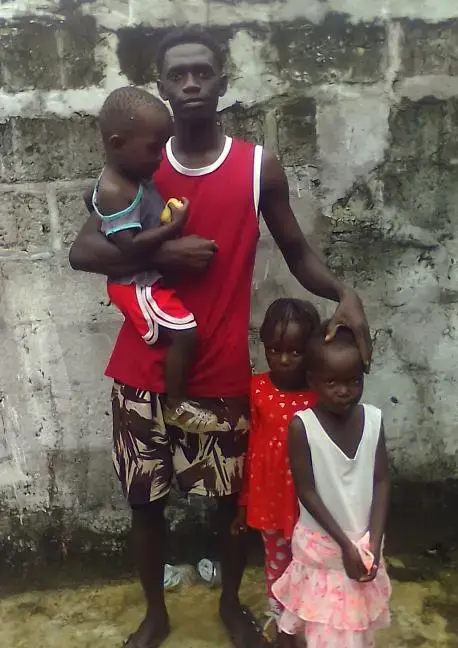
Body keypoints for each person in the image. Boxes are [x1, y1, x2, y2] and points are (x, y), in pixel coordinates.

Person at [68, 27, 372, 648]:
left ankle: (232, 605)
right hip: (140, 373)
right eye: (177, 75)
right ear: (161, 87)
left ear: (223, 83)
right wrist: (168, 249)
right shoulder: (140, 167)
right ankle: (155, 613)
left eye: (202, 72)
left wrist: (344, 293)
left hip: (221, 375)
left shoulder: (257, 166)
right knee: (144, 503)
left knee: (227, 507)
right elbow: (83, 250)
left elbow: (295, 249)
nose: (190, 84)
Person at [94, 86, 227, 434]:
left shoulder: (133, 177)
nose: (160, 157)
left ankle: (174, 401)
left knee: (183, 331)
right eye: (155, 148)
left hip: (143, 284)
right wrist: (174, 231)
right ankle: (176, 405)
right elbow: (130, 246)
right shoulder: (113, 190)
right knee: (184, 333)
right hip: (134, 285)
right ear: (117, 143)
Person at [272, 323, 391, 648]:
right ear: (312, 381)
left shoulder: (374, 420)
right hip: (321, 550)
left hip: (363, 545)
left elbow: (381, 481)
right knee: (310, 621)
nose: (345, 391)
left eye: (354, 381)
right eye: (332, 382)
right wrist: (344, 545)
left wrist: (374, 543)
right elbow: (306, 491)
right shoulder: (303, 427)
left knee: (342, 625)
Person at [231, 298, 320, 645]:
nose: (283, 359)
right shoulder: (257, 389)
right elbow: (251, 450)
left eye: (295, 351)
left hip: (309, 508)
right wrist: (243, 503)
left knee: (310, 568)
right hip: (269, 504)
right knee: (277, 567)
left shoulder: (320, 394)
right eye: (274, 349)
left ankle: (311, 625)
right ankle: (284, 626)